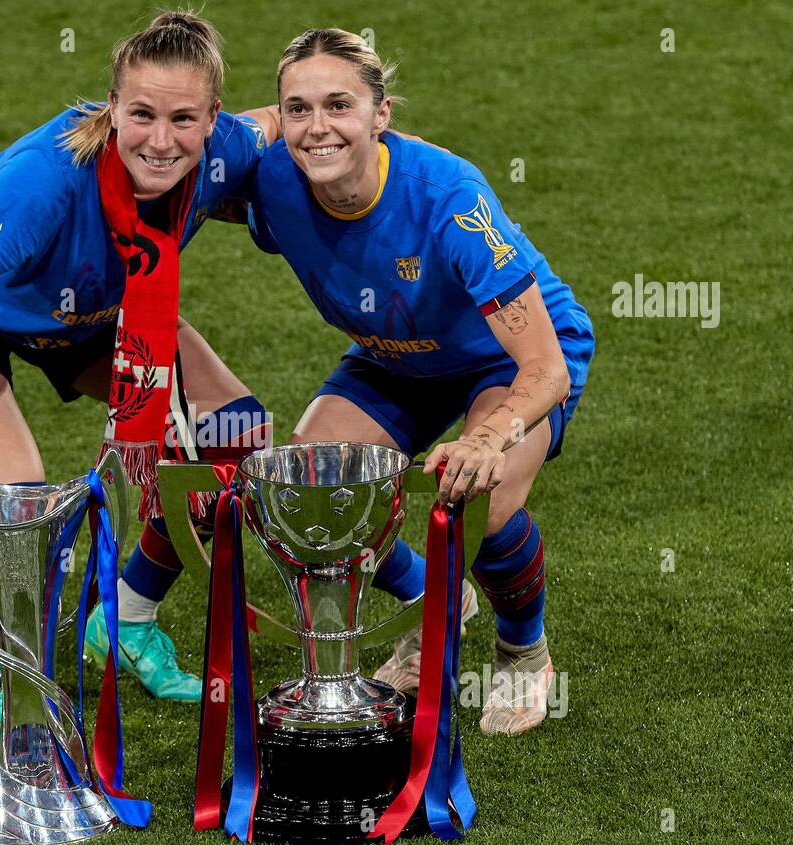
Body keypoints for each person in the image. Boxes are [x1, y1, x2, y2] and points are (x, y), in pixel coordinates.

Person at [0, 11, 279, 719]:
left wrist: (393, 155)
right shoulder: (47, 180)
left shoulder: (226, 150)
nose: (161, 140)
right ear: (113, 108)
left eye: (184, 118)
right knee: (22, 498)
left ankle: (124, 619)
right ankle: (10, 675)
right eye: (142, 114)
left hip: (94, 314)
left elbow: (292, 119)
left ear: (215, 116)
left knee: (234, 438)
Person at [243, 29, 595, 735]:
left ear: (382, 113)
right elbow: (183, 156)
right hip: (394, 356)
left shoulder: (447, 198)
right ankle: (436, 604)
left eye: (340, 105)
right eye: (299, 109)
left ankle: (523, 650)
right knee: (310, 491)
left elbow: (545, 366)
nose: (319, 129)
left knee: (480, 499)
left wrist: (490, 436)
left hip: (509, 358)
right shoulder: (274, 181)